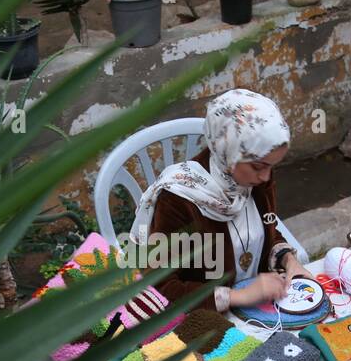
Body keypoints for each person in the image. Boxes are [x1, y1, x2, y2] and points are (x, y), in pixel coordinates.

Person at [131, 89, 311, 313]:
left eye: (272, 166)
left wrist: (288, 261)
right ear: (229, 152)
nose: (266, 177)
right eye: (258, 167)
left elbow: (268, 230)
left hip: (262, 307)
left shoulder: (254, 180)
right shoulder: (180, 199)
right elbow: (160, 289)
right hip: (204, 318)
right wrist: (239, 296)